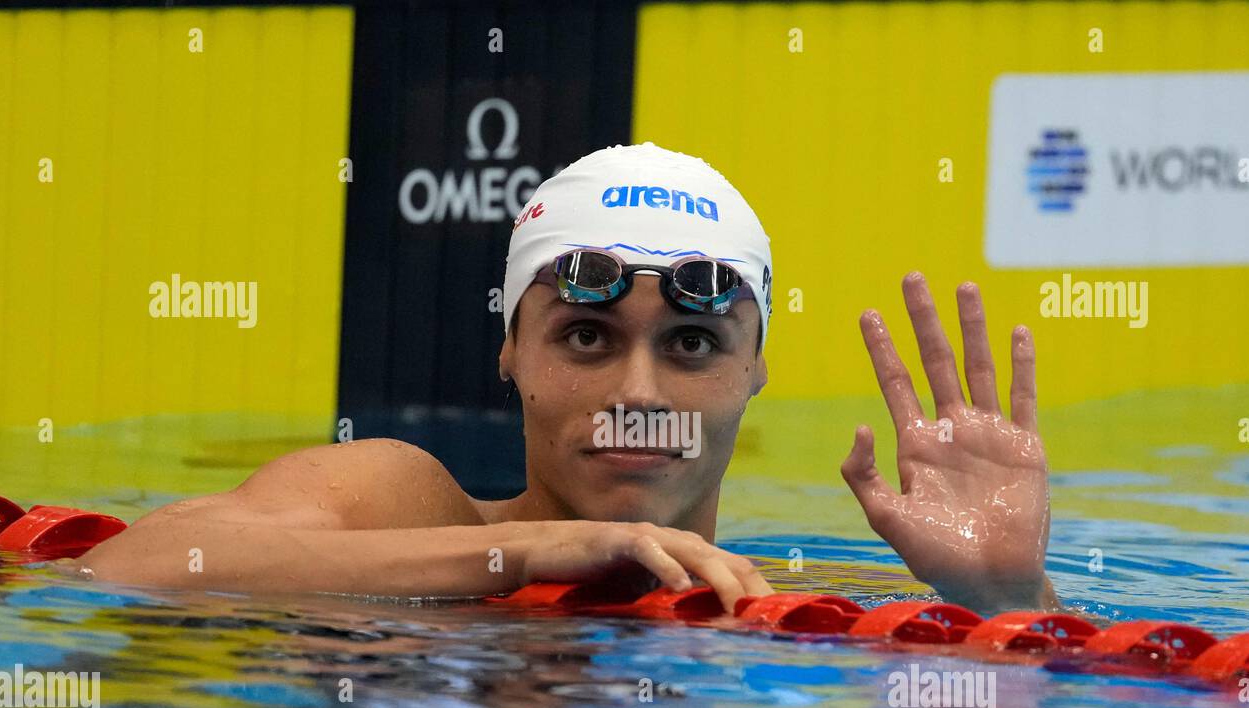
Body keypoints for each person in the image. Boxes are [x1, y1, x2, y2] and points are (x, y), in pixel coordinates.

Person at [77, 142, 1059, 616]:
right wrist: (523, 552)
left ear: (755, 369)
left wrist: (1013, 590)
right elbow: (132, 565)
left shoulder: (788, 608)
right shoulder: (407, 505)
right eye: (587, 336)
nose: (636, 390)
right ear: (510, 350)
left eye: (690, 343)